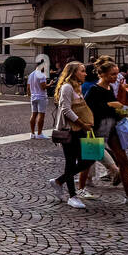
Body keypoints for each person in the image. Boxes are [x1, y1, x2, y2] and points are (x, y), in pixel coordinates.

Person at [83, 58, 128, 205]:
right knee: (85, 164)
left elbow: (113, 108)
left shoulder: (110, 89)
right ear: (102, 74)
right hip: (95, 130)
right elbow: (86, 109)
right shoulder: (94, 90)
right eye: (112, 74)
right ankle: (67, 187)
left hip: (112, 129)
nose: (115, 77)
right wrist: (111, 107)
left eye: (117, 74)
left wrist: (120, 111)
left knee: (123, 161)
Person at [49, 61, 92, 209]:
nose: (85, 73)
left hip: (80, 129)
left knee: (88, 159)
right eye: (82, 71)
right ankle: (72, 196)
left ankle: (59, 181)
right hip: (69, 130)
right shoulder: (67, 87)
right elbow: (66, 110)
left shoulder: (77, 87)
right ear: (73, 73)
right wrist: (82, 124)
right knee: (71, 162)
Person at [27, 61, 49, 140]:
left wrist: (30, 95)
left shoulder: (31, 74)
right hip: (41, 97)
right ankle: (39, 133)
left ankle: (32, 133)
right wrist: (50, 84)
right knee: (41, 115)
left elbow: (28, 88)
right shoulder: (42, 75)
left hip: (33, 97)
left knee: (33, 115)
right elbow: (43, 87)